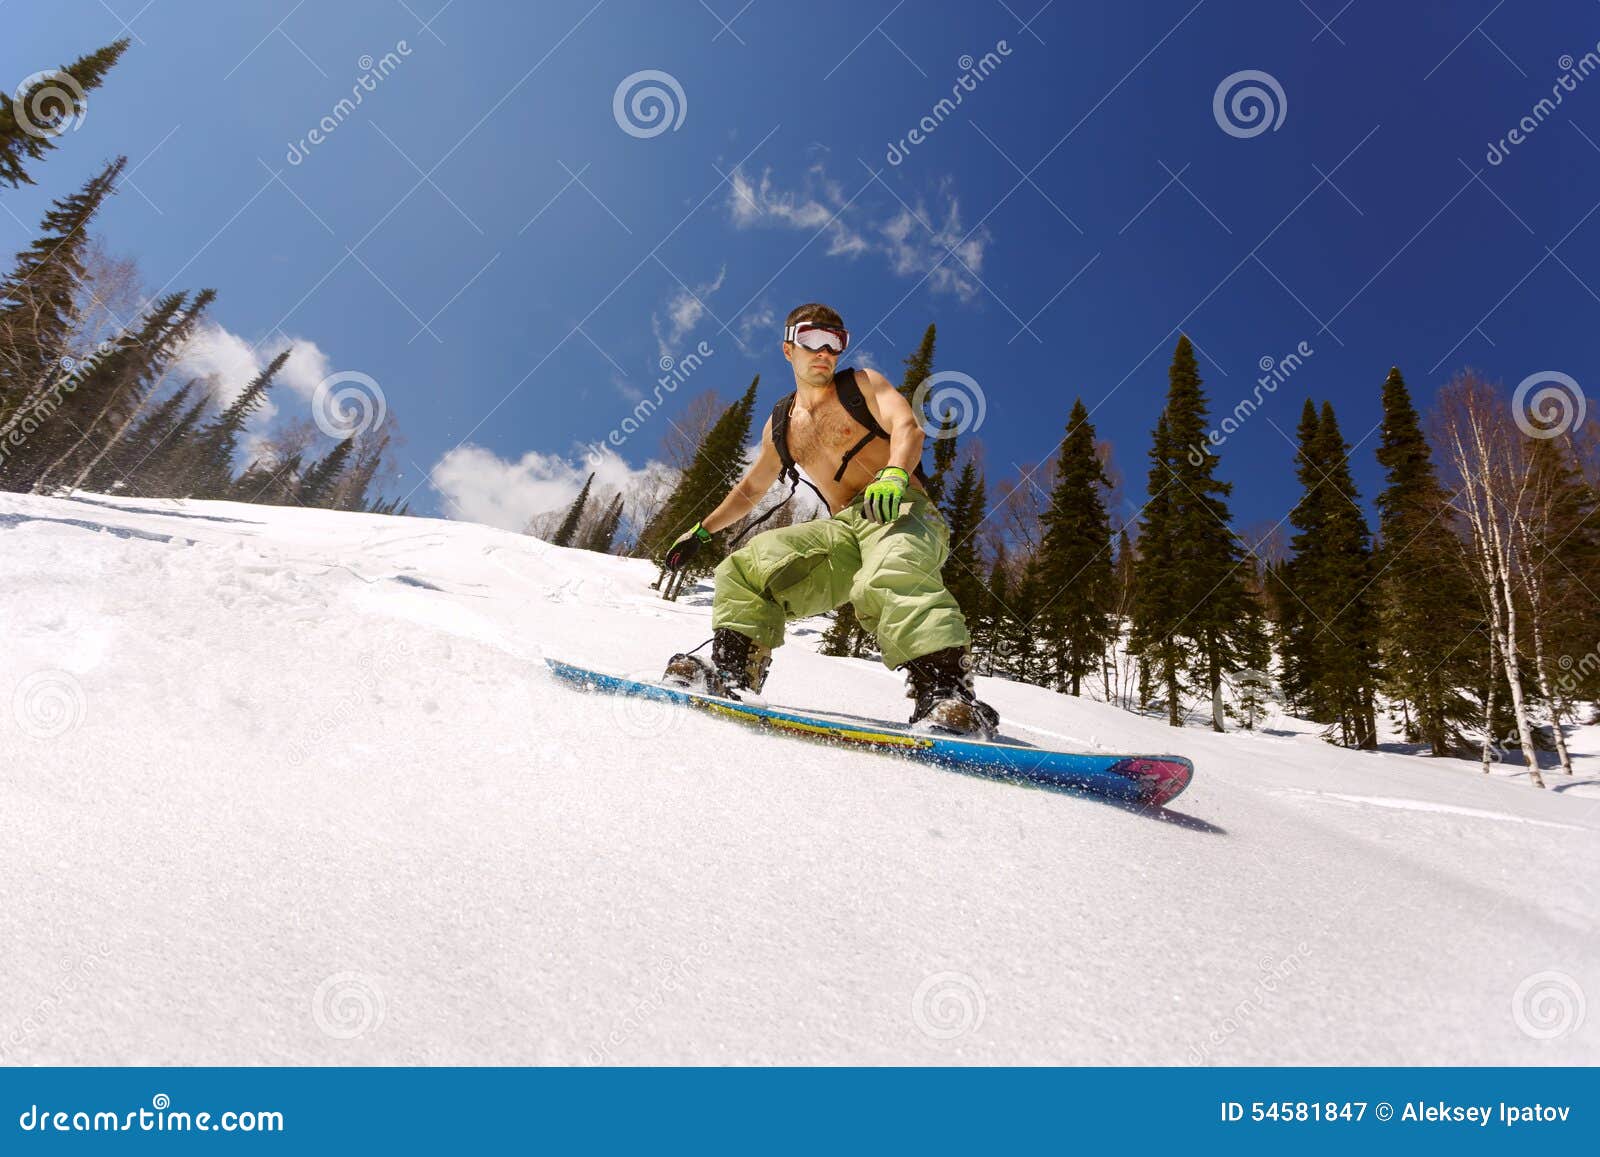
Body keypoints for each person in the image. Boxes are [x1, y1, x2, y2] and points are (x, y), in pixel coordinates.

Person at [657, 302, 998, 737]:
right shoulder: (782, 424)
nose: (823, 351)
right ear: (788, 349)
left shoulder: (861, 386)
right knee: (751, 565)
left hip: (901, 508)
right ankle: (732, 671)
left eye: (834, 342)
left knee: (891, 569)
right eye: (811, 339)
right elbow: (749, 491)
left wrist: (894, 473)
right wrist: (702, 530)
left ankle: (950, 694)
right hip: (844, 531)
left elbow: (907, 427)